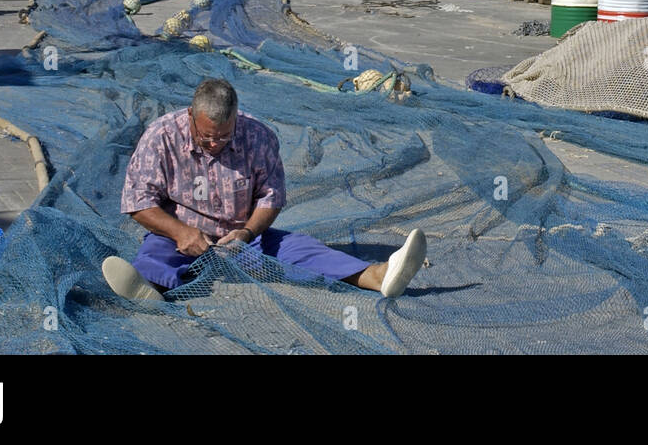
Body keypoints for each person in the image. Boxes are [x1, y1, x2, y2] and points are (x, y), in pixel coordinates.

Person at [101, 78, 426, 302]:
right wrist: (181, 232)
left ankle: (379, 276)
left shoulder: (258, 137)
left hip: (242, 238)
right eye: (207, 136)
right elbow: (138, 201)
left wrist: (246, 231)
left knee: (303, 250)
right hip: (179, 239)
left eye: (224, 136)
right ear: (190, 116)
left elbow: (271, 197)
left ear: (236, 123)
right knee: (152, 258)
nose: (215, 144)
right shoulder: (161, 137)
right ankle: (150, 292)